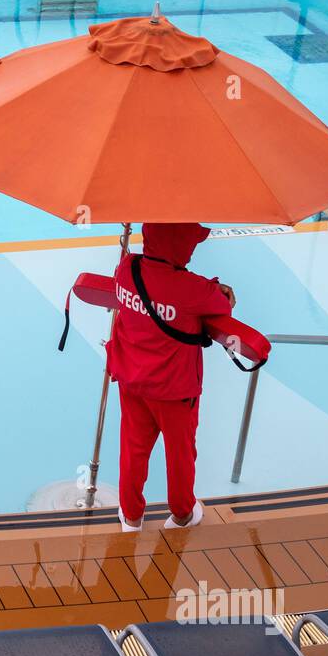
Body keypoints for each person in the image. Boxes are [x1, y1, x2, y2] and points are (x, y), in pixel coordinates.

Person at [106, 222, 235, 532]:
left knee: (133, 451)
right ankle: (181, 514)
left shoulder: (126, 269)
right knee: (180, 454)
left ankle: (132, 516)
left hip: (132, 381)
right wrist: (215, 287)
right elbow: (224, 306)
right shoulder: (194, 290)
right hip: (175, 391)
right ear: (180, 245)